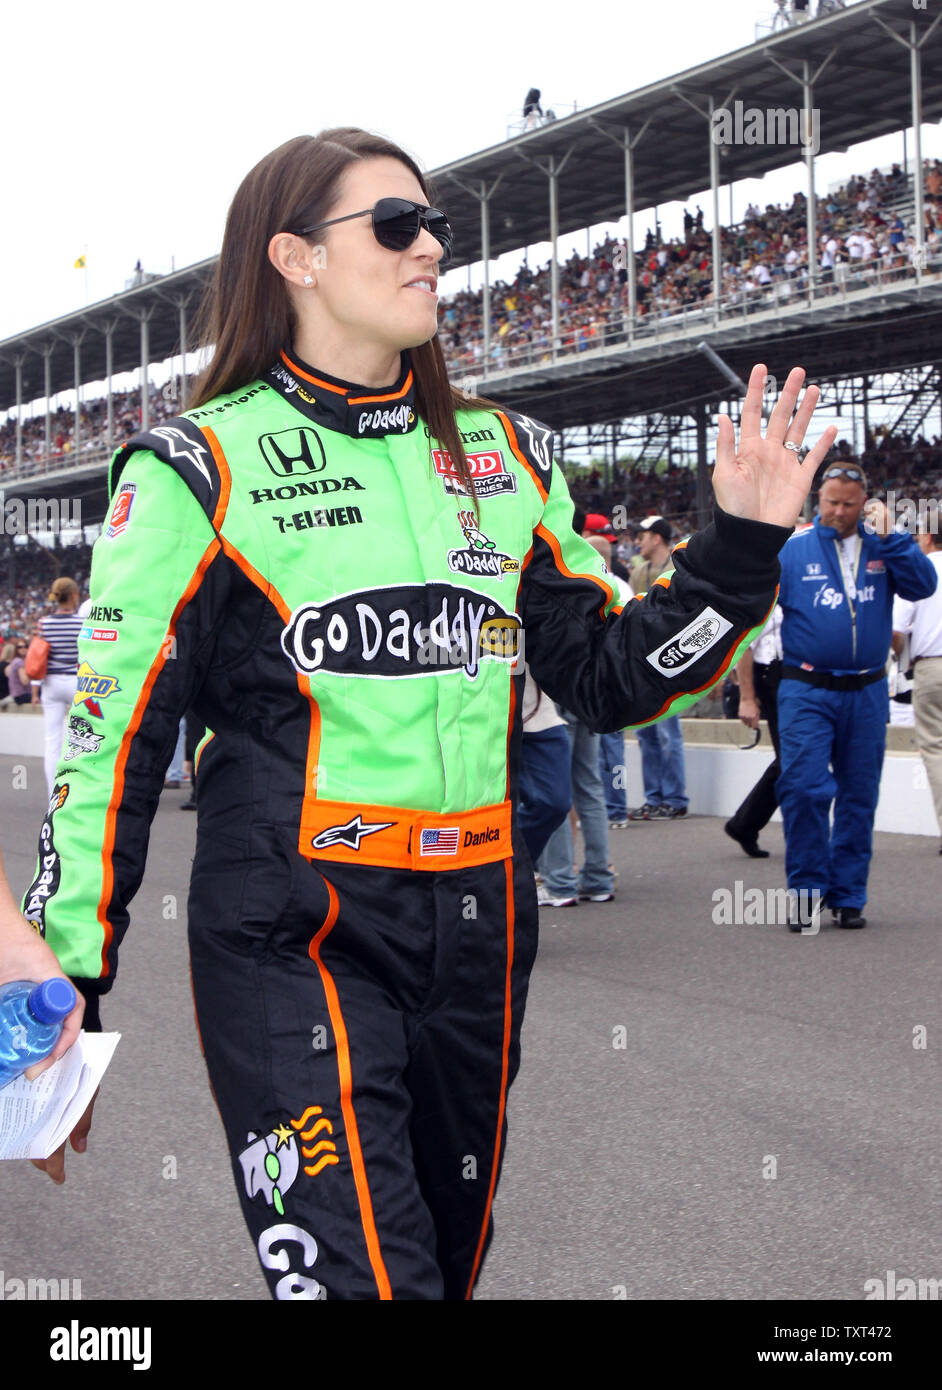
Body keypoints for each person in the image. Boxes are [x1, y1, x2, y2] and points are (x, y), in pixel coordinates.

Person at [18, 127, 835, 1300]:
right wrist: (64, 985)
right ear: (293, 258)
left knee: (442, 1277)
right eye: (395, 226)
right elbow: (111, 741)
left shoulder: (507, 455)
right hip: (292, 929)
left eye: (436, 226)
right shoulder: (195, 467)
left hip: (481, 920)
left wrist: (741, 548)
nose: (432, 249)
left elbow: (612, 677)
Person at [776, 465, 937, 931]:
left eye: (848, 504)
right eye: (830, 501)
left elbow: (923, 585)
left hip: (866, 689)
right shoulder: (793, 550)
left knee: (859, 794)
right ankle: (807, 892)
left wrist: (893, 536)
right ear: (817, 498)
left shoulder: (883, 547)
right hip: (805, 687)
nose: (838, 511)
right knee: (804, 788)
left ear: (866, 502)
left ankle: (848, 895)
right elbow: (756, 613)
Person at [627, 517, 690, 821]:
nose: (639, 540)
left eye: (645, 535)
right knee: (647, 735)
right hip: (642, 663)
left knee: (668, 735)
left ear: (658, 538)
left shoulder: (679, 568)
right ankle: (655, 798)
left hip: (670, 663)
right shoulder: (639, 571)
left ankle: (676, 799)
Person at [892, 525, 942, 850]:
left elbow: (895, 631)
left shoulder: (919, 571)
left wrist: (902, 658)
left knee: (936, 747)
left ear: (927, 538)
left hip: (931, 666)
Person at [724, 605, 784, 857]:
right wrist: (747, 697)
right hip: (774, 674)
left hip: (800, 674)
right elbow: (745, 642)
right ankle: (745, 824)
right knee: (793, 759)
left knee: (792, 760)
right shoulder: (765, 584)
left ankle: (744, 824)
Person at [36, 577, 83, 796]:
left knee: (52, 740)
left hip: (51, 682)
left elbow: (39, 653)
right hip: (76, 681)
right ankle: (75, 791)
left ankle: (51, 796)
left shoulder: (43, 623)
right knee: (79, 737)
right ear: (73, 595)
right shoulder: (81, 623)